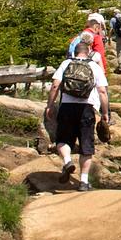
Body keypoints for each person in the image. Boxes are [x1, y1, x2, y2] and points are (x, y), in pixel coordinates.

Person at [47, 37, 110, 191]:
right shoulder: (94, 66)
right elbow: (102, 91)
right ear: (87, 52)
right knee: (86, 145)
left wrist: (49, 106)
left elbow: (55, 85)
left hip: (67, 107)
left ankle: (68, 161)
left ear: (74, 52)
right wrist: (105, 112)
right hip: (87, 108)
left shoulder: (66, 63)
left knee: (62, 139)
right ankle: (83, 182)